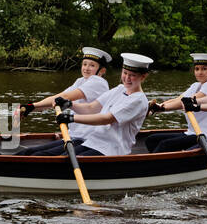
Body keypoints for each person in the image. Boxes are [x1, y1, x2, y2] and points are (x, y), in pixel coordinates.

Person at [19, 53, 153, 157]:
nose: (127, 78)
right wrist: (70, 105)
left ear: (143, 77)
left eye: (132, 75)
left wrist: (71, 118)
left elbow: (106, 119)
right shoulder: (119, 89)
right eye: (125, 73)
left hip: (111, 150)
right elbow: (92, 108)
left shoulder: (138, 100)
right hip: (93, 142)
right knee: (59, 158)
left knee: (58, 161)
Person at [143, 53, 207, 153]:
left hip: (206, 135)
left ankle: (156, 165)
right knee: (151, 140)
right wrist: (158, 106)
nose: (199, 72)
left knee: (165, 145)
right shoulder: (195, 85)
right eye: (197, 69)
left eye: (204, 69)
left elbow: (185, 102)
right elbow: (178, 99)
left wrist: (161, 109)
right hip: (191, 132)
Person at [15, 47, 111, 125]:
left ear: (102, 71)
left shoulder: (98, 82)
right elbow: (58, 98)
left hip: (88, 136)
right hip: (76, 134)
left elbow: (65, 97)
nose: (86, 68)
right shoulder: (81, 81)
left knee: (31, 150)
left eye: (92, 65)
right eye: (84, 64)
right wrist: (30, 108)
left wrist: (33, 105)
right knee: (30, 150)